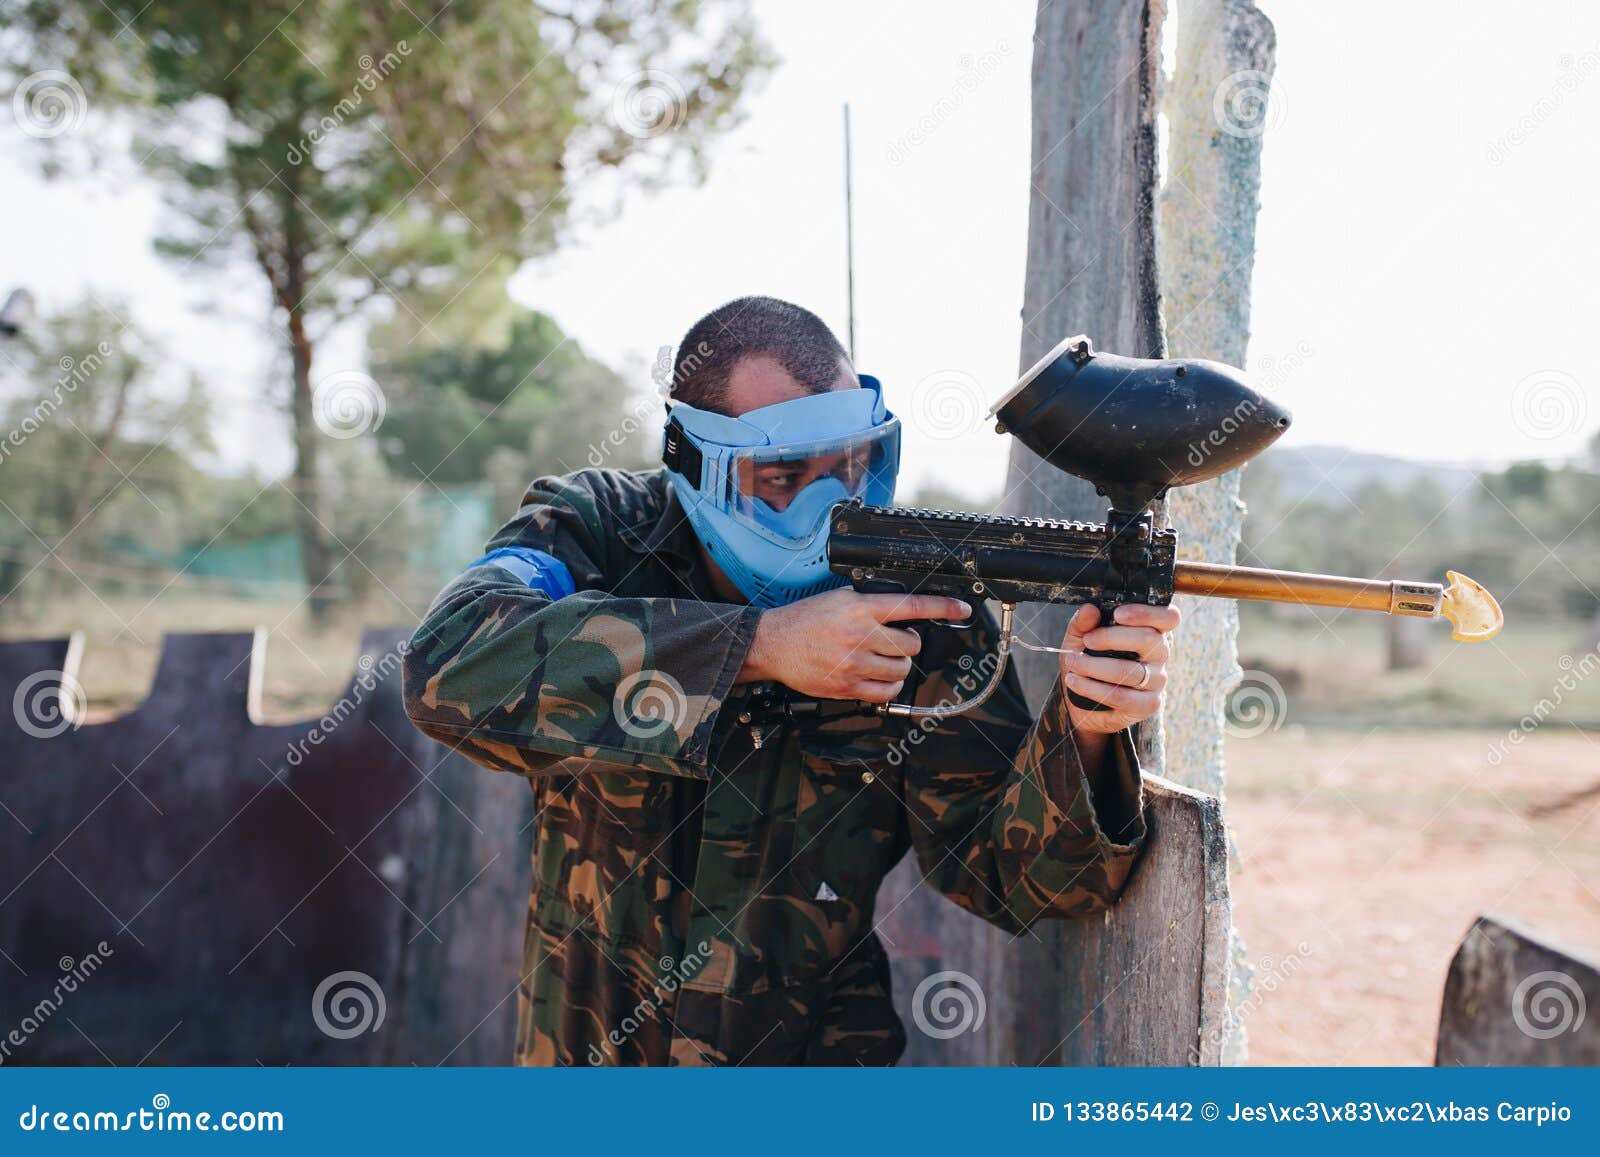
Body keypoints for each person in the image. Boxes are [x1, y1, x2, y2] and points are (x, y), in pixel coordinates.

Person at [402, 296, 1180, 1065]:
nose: (827, 507)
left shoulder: (920, 605)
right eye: (782, 477)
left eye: (848, 468)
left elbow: (1019, 876)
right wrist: (761, 646)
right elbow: (446, 664)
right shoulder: (597, 531)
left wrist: (1087, 728)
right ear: (693, 463)